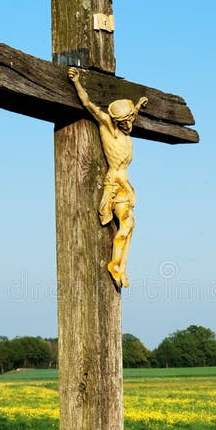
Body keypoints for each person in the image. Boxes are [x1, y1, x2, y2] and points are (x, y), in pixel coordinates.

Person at [68, 67, 148, 287]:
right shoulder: (107, 127)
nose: (130, 124)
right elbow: (88, 105)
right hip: (115, 184)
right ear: (117, 121)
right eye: (125, 121)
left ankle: (119, 266)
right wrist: (76, 82)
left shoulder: (124, 130)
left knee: (129, 225)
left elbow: (133, 118)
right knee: (126, 224)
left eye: (131, 120)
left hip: (124, 182)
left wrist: (138, 106)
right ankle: (116, 265)